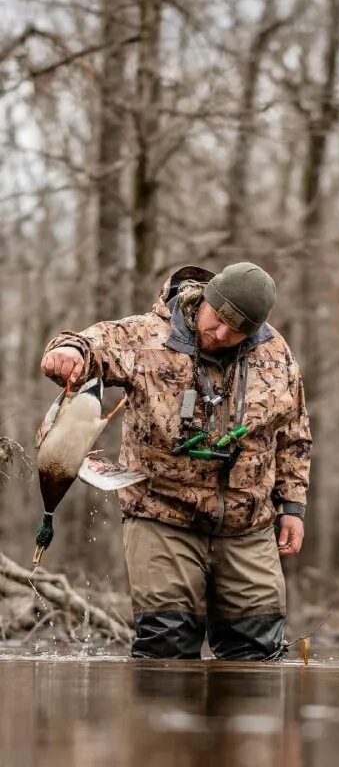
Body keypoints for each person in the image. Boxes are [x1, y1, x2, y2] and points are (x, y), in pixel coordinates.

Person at [40, 263, 312, 660]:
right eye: (217, 319)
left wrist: (293, 507)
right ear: (205, 300)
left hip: (247, 524)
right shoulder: (147, 336)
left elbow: (294, 432)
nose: (221, 334)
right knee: (166, 646)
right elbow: (89, 344)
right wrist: (67, 352)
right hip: (161, 513)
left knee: (258, 652)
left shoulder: (275, 353)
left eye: (236, 330)